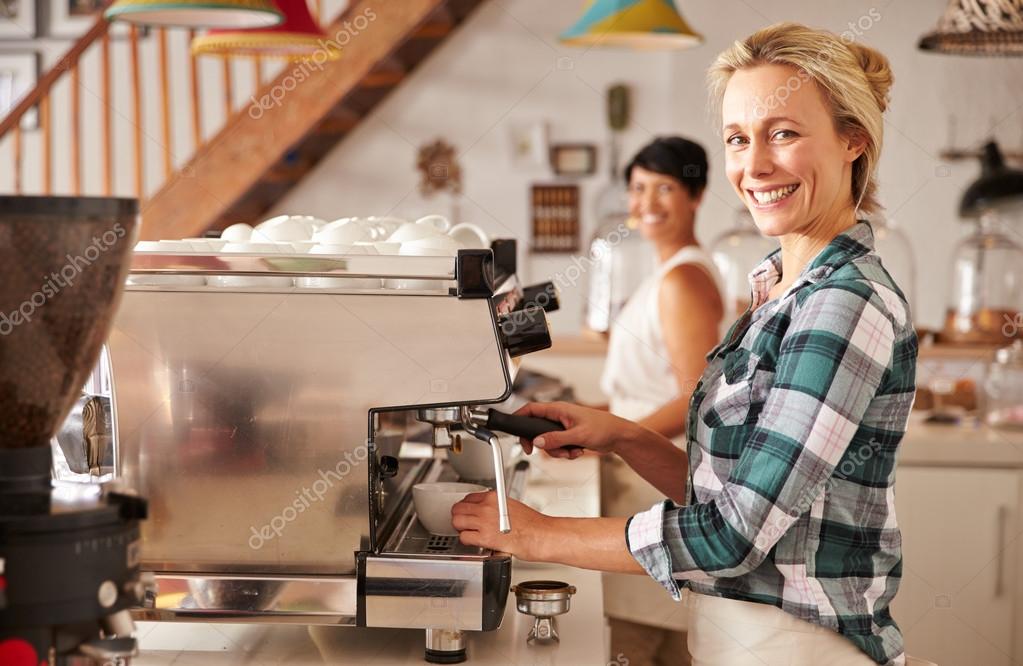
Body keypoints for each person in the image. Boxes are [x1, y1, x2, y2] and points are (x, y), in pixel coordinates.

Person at [454, 22, 917, 666]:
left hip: (799, 647)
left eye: (783, 133)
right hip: (745, 638)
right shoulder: (780, 287)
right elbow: (732, 495)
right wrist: (622, 435)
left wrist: (538, 534)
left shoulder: (842, 304)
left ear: (852, 140)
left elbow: (732, 535)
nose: (754, 165)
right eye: (737, 138)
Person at [598, 137, 723, 665]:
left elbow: (696, 394)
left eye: (664, 187)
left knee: (644, 640)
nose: (646, 202)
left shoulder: (682, 280)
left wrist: (611, 435)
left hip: (652, 483)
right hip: (644, 478)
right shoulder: (671, 272)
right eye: (637, 187)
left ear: (696, 195)